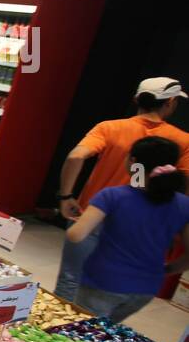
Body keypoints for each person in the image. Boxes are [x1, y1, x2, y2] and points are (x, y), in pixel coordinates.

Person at [54, 77, 189, 301]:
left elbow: (76, 155)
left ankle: (56, 325)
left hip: (90, 214)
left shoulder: (110, 127)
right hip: (138, 224)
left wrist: (66, 195)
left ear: (137, 99)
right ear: (170, 102)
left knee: (70, 277)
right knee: (113, 286)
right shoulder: (183, 140)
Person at [66, 137, 189, 321]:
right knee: (106, 333)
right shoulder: (183, 204)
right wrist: (168, 269)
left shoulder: (113, 196)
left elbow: (76, 235)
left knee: (83, 334)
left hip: (103, 281)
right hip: (145, 288)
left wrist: (80, 220)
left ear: (133, 162)